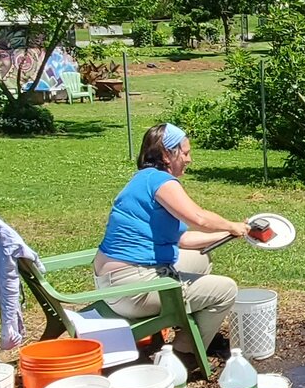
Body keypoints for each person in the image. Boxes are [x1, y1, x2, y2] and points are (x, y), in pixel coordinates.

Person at [95, 123, 252, 365]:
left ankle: (187, 327)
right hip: (132, 290)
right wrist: (231, 225)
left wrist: (228, 235)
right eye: (185, 153)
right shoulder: (161, 181)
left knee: (200, 258)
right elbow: (198, 218)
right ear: (167, 154)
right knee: (226, 290)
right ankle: (183, 356)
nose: (189, 159)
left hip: (114, 283)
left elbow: (182, 239)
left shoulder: (144, 179)